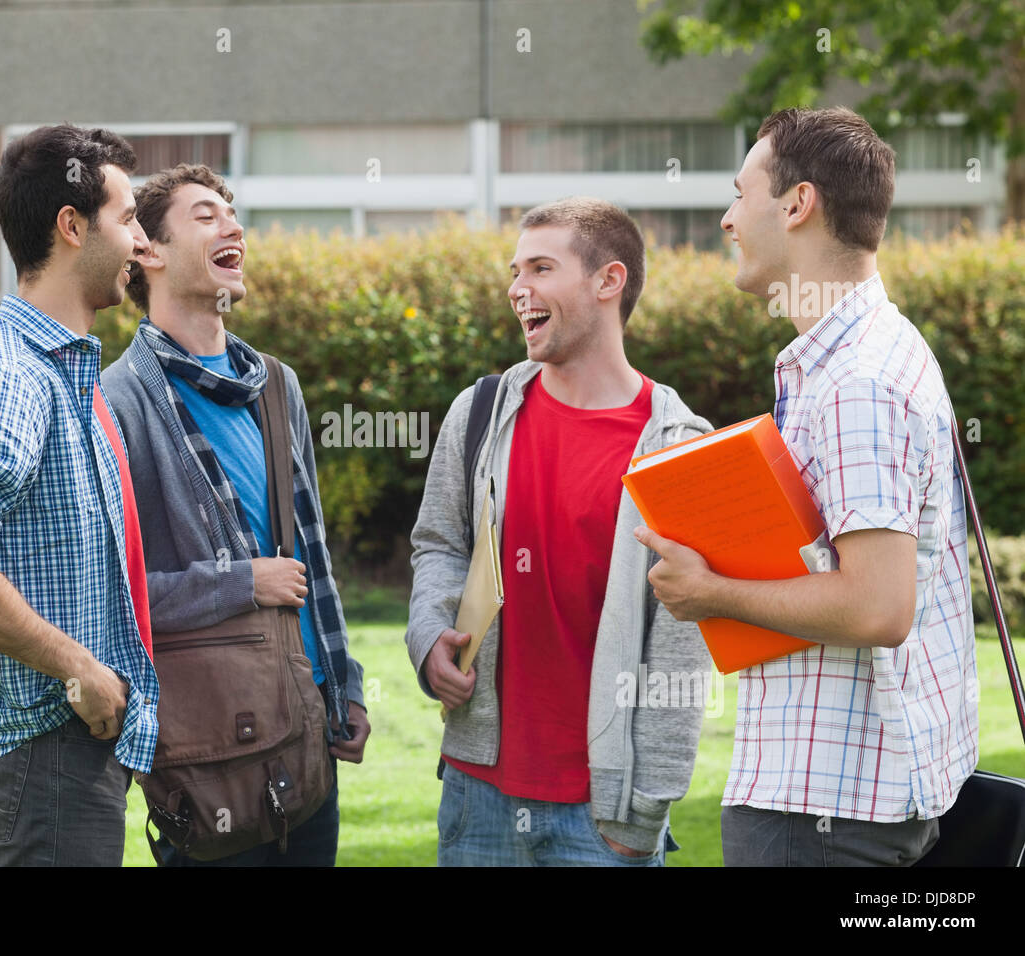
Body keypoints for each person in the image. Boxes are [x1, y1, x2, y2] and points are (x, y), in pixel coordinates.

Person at [638, 107, 977, 866]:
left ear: (797, 204)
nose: (727, 219)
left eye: (739, 194)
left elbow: (878, 606)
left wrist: (710, 591)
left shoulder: (855, 382)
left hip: (825, 811)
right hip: (853, 795)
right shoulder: (870, 352)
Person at [406, 197, 713, 866]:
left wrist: (642, 814)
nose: (519, 289)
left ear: (608, 281)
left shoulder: (678, 448)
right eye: (516, 271)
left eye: (542, 268)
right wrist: (429, 636)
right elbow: (439, 544)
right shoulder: (481, 412)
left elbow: (680, 650)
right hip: (476, 792)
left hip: (601, 816)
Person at [0, 124, 160, 866]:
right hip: (40, 754)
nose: (142, 241)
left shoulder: (63, 371)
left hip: (64, 754)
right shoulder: (12, 374)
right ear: (72, 226)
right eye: (128, 218)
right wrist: (78, 666)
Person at [101, 163, 369, 866]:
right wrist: (239, 582)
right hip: (206, 752)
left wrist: (346, 685)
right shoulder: (117, 403)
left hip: (310, 734)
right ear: (148, 252)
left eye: (232, 212)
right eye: (205, 215)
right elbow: (107, 596)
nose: (233, 226)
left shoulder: (277, 386)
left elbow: (310, 558)